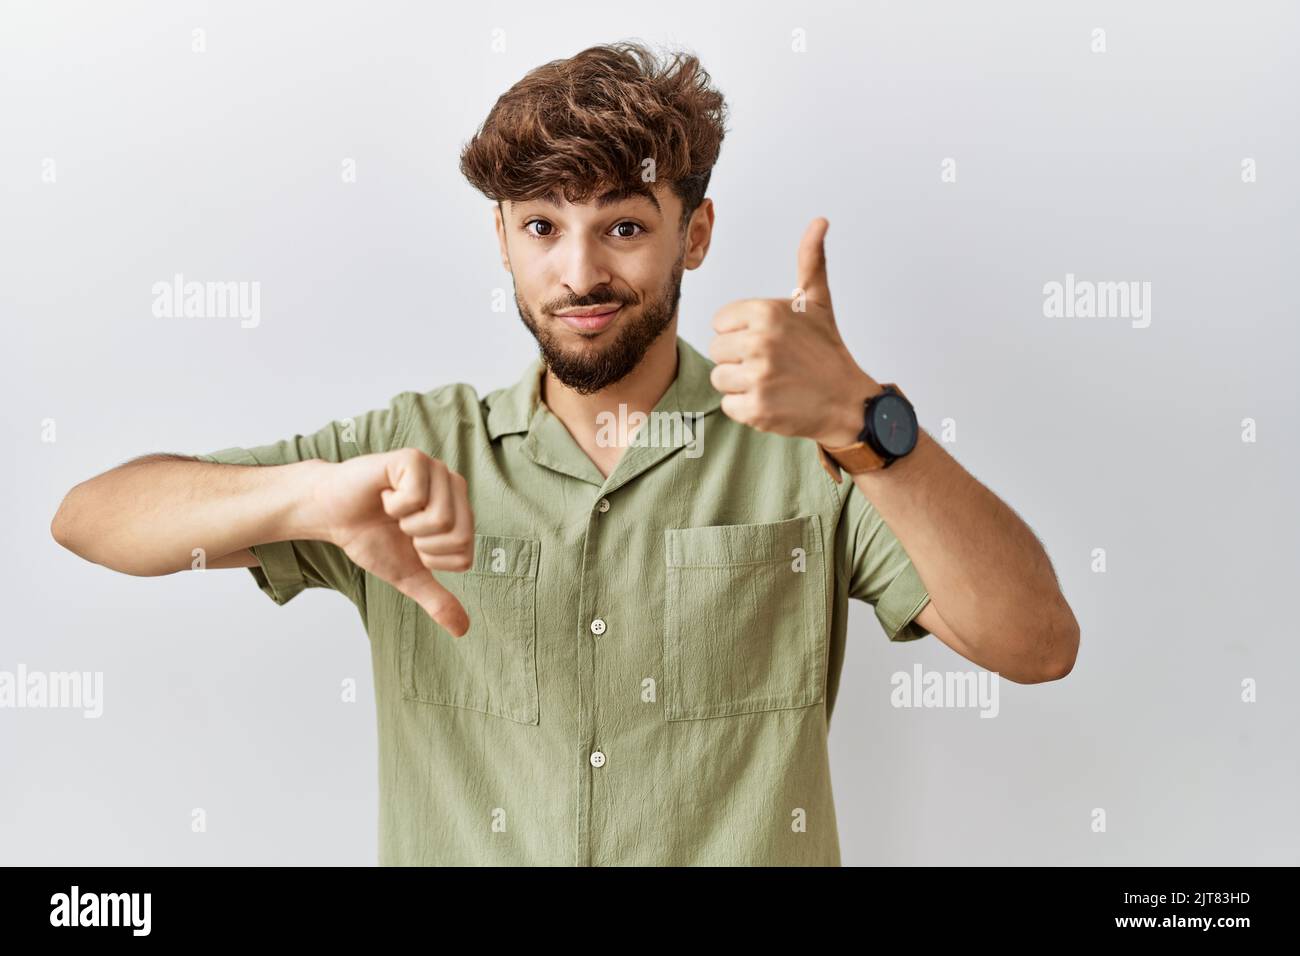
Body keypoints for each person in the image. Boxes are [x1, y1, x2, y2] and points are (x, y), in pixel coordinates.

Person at [50, 40, 1079, 866]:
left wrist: (867, 420)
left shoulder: (814, 453)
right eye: (542, 225)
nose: (578, 271)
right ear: (501, 236)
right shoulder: (403, 458)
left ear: (696, 231)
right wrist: (316, 494)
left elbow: (1035, 644)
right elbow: (91, 519)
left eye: (623, 226)